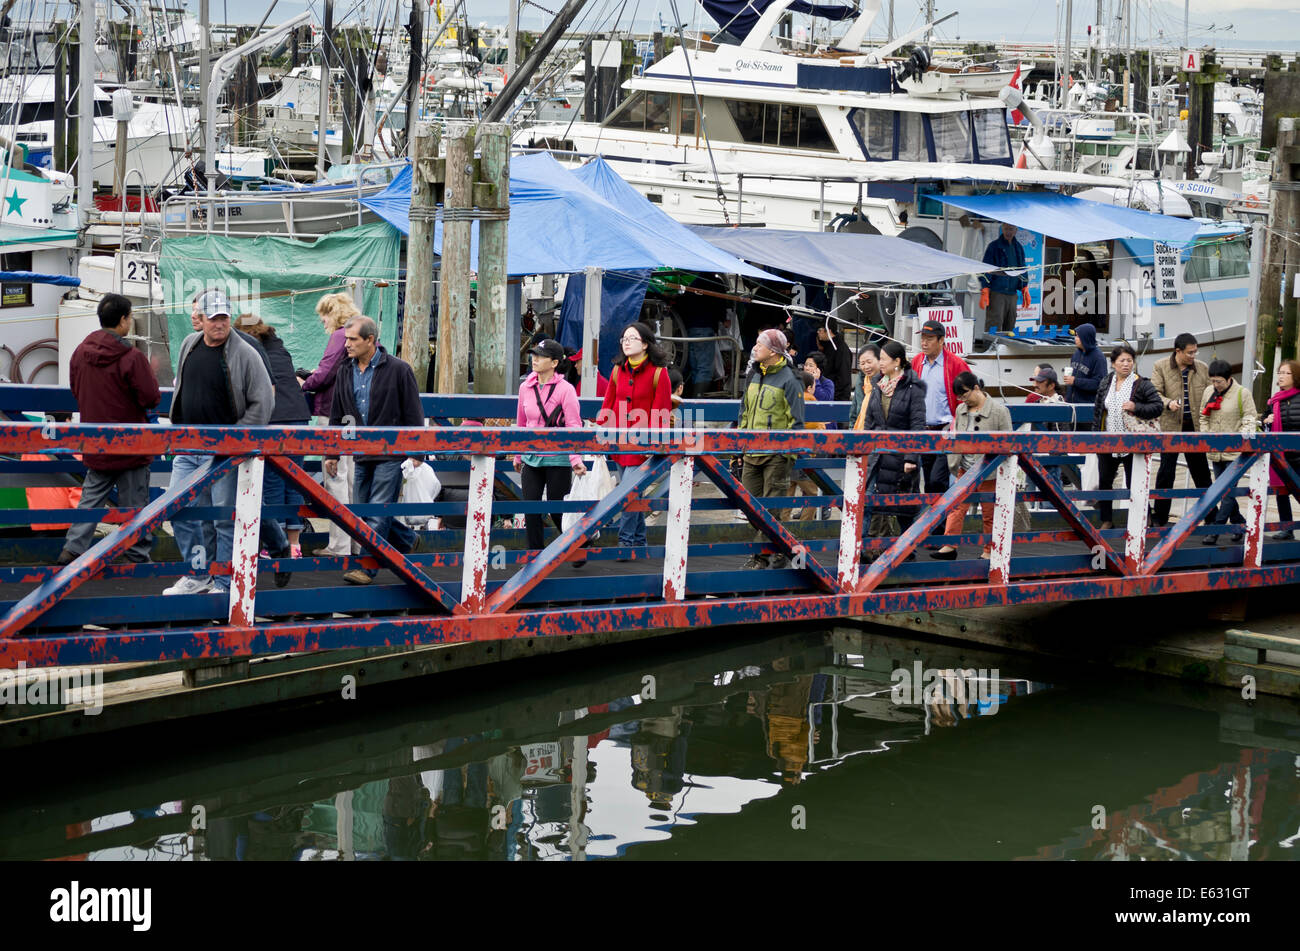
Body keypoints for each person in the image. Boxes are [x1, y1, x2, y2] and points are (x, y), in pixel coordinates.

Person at [163, 289, 274, 596]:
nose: (220, 324)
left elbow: (263, 403)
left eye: (224, 318)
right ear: (202, 319)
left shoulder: (246, 352)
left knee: (224, 519)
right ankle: (199, 574)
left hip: (225, 451)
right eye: (213, 319)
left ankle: (224, 582)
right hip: (189, 446)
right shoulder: (189, 343)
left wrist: (235, 439)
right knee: (179, 509)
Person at [56, 294, 162, 566]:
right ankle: (136, 555)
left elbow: (75, 389)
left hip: (96, 441)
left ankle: (73, 548)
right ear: (124, 320)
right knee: (134, 506)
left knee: (90, 500)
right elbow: (151, 397)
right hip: (131, 445)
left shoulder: (81, 351)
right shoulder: (131, 357)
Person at [324, 316, 426, 585]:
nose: (346, 344)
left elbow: (414, 413)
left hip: (390, 452)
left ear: (370, 340)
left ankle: (367, 567)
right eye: (346, 339)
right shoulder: (345, 370)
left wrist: (417, 453)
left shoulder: (399, 370)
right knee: (362, 511)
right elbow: (338, 413)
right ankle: (406, 538)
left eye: (353, 339)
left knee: (377, 511)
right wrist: (332, 452)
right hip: (361, 451)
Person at [243, 318, 312, 586]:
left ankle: (276, 545)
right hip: (298, 418)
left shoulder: (250, 349)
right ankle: (294, 545)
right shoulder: (280, 348)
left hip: (274, 420)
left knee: (271, 483)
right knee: (293, 481)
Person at [597, 321, 673, 559]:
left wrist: (652, 446)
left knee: (628, 493)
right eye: (624, 339)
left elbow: (662, 412)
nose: (626, 343)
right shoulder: (618, 371)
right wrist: (598, 433)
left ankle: (626, 542)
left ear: (646, 343)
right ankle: (639, 543)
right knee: (634, 494)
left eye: (632, 338)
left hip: (642, 446)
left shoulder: (659, 374)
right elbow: (608, 404)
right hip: (620, 443)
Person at [298, 292, 362, 558]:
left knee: (335, 478)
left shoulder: (339, 336)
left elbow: (326, 373)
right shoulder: (361, 336)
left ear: (332, 313)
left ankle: (339, 545)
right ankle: (358, 543)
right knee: (351, 481)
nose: (321, 321)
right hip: (355, 414)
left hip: (333, 412)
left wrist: (305, 382)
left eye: (323, 315)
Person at [736, 328, 805, 569]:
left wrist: (788, 454)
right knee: (751, 508)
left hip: (776, 455)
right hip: (751, 451)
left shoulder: (790, 378)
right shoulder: (754, 374)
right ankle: (786, 547)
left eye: (759, 344)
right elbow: (744, 411)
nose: (755, 348)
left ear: (774, 351)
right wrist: (740, 445)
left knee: (769, 510)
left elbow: (797, 422)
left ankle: (760, 558)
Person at [513, 339, 587, 555]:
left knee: (557, 510)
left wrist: (575, 459)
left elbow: (574, 425)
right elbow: (521, 424)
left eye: (541, 356)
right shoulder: (525, 387)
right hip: (531, 456)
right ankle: (534, 557)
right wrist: (518, 455)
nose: (534, 359)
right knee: (531, 509)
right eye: (533, 354)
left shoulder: (566, 390)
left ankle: (577, 547)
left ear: (554, 362)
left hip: (558, 457)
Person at [934, 373, 1013, 560]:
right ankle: (949, 545)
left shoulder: (999, 411)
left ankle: (989, 550)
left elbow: (1009, 442)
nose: (963, 399)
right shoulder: (961, 409)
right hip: (966, 467)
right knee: (956, 506)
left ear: (976, 388)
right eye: (960, 397)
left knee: (989, 512)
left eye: (965, 394)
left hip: (990, 469)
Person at [862, 341, 927, 559]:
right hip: (877, 455)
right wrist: (865, 449)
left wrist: (911, 457)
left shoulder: (913, 388)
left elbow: (917, 424)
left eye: (883, 359)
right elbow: (870, 420)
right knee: (867, 500)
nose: (880, 363)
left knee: (903, 506)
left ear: (897, 362)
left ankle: (907, 548)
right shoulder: (879, 384)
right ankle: (857, 549)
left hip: (901, 456)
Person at [1092, 343, 1163, 529]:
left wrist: (1136, 407)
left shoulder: (1142, 383)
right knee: (1105, 481)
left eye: (1129, 360)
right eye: (1122, 361)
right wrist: (1095, 438)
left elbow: (1157, 406)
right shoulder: (1106, 382)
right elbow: (1098, 410)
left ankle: (1146, 517)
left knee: (1135, 482)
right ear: (1113, 363)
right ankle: (1106, 520)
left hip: (1133, 441)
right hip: (1108, 440)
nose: (1126, 364)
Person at [1149, 334, 1213, 526]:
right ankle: (1160, 517)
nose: (1193, 355)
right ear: (1178, 351)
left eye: (1195, 351)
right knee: (1166, 473)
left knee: (1201, 473)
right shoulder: (1160, 366)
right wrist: (1168, 403)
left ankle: (1211, 517)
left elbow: (1211, 393)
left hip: (1195, 428)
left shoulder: (1202, 368)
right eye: (1189, 352)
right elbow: (1154, 393)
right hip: (1170, 427)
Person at [1199, 359, 1258, 545]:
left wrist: (1241, 438)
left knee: (1225, 491)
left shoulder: (1242, 393)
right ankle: (1240, 524)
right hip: (1215, 450)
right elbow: (1203, 415)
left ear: (1229, 379)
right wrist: (1206, 435)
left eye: (1219, 382)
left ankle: (1215, 531)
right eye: (1213, 381)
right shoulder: (1209, 392)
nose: (1215, 385)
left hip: (1235, 452)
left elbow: (1250, 417)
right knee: (1225, 491)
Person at [910, 319, 970, 498]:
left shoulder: (956, 364)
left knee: (938, 480)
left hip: (947, 430)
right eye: (923, 338)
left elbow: (969, 394)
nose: (924, 343)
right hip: (924, 430)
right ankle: (937, 525)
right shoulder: (917, 361)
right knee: (929, 481)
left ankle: (941, 523)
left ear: (941, 340)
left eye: (929, 338)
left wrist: (961, 425)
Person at [1266, 359, 1300, 540]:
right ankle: (1286, 528)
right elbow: (1263, 424)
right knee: (1281, 492)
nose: (1280, 376)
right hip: (1281, 456)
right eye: (1279, 373)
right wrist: (1266, 421)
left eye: (1285, 373)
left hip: (1298, 456)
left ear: (1295, 376)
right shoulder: (1274, 401)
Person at [979, 222, 1030, 334]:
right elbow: (986, 268)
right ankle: (990, 348)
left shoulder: (1018, 248)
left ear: (1016, 230)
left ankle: (1006, 350)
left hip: (1012, 294)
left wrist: (1025, 287)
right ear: (1002, 229)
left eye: (1011, 229)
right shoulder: (994, 246)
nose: (1008, 232)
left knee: (1010, 324)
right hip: (997, 293)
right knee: (994, 323)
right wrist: (985, 288)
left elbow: (1023, 268)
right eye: (1006, 229)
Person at [792, 370, 827, 522]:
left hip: (788, 455)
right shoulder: (811, 401)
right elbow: (815, 426)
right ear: (810, 387)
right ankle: (804, 526)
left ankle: (783, 526)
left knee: (786, 493)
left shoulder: (790, 399)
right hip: (805, 456)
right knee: (813, 494)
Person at [1063, 322, 1107, 422]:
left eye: (1078, 336)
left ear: (1085, 338)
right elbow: (1072, 381)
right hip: (1071, 407)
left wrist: (1075, 381)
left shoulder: (1098, 358)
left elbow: (1100, 383)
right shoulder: (1076, 354)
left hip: (1088, 409)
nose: (1075, 338)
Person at [817, 325, 853, 403]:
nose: (818, 332)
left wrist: (835, 393)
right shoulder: (828, 345)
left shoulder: (840, 348)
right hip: (830, 392)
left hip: (838, 396)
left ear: (829, 331)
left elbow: (843, 375)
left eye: (820, 330)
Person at [850, 343, 880, 431]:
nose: (866, 367)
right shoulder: (862, 382)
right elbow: (854, 413)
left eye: (869, 362)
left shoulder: (886, 383)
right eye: (862, 363)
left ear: (880, 360)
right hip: (859, 434)